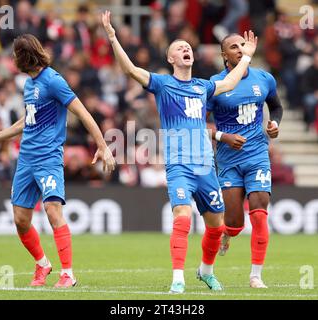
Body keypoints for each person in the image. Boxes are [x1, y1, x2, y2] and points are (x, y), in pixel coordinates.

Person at [101, 11, 257, 293]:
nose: (185, 50)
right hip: (179, 166)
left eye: (188, 48)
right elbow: (131, 71)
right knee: (182, 216)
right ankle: (178, 279)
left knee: (216, 226)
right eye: (179, 49)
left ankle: (205, 271)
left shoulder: (203, 86)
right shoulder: (163, 84)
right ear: (171, 59)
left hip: (205, 166)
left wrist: (247, 56)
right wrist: (113, 37)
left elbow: (231, 82)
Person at [0, 34, 115, 288]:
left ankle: (68, 273)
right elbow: (28, 118)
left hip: (48, 157)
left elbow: (82, 112)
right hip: (26, 159)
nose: (13, 59)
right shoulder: (29, 85)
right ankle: (42, 263)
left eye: (15, 54)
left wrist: (103, 146)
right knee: (20, 219)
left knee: (52, 210)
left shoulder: (54, 81)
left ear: (23, 56)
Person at [206, 33, 283, 288]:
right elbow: (197, 124)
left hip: (258, 154)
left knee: (260, 213)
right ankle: (229, 234)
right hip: (228, 160)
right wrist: (222, 136)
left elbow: (277, 107)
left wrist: (274, 124)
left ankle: (256, 276)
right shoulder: (215, 84)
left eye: (242, 45)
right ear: (223, 55)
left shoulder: (264, 78)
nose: (239, 49)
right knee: (235, 222)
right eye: (233, 47)